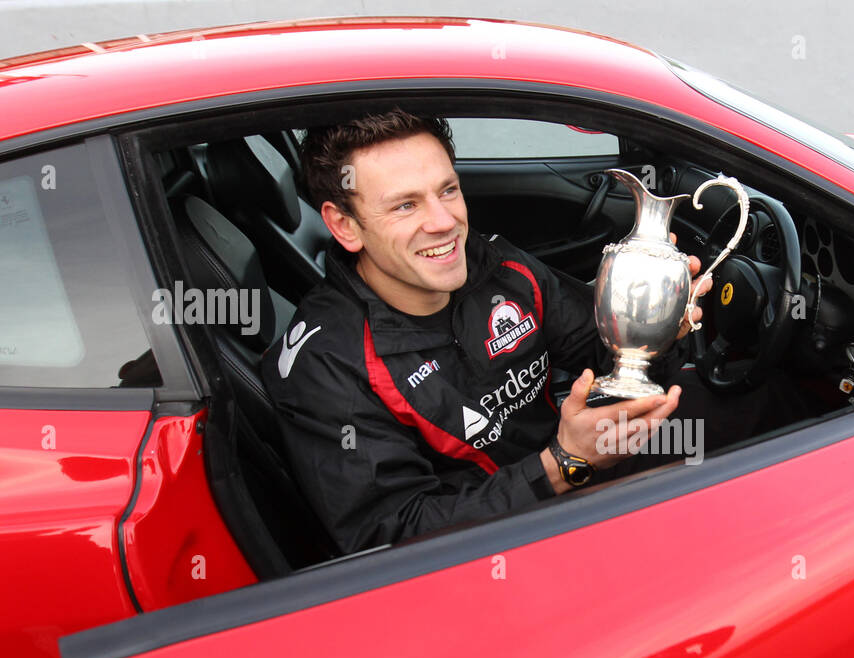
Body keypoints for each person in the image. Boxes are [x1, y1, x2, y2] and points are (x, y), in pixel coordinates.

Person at [262, 108, 785, 555]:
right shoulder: (327, 363)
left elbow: (605, 357)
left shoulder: (496, 266)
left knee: (767, 403)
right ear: (345, 225)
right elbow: (395, 540)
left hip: (576, 457)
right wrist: (562, 465)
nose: (444, 222)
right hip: (496, 547)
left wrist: (657, 328)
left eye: (448, 190)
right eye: (406, 205)